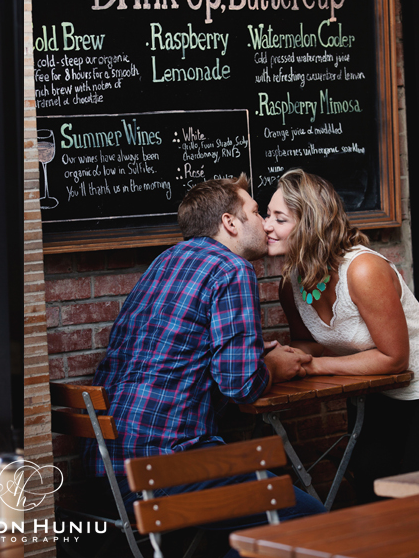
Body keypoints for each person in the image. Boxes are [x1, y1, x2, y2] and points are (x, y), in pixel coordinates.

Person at [83, 175, 325, 555]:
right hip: (162, 468)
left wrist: (247, 353)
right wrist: (273, 367)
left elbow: (176, 347)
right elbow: (240, 386)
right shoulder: (231, 270)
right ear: (230, 223)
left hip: (107, 470)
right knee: (307, 518)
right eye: (256, 212)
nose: (265, 223)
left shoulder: (167, 260)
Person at [264, 169, 419, 502]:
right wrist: (283, 356)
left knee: (413, 496)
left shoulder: (362, 270)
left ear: (309, 225)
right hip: (383, 389)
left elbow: (394, 358)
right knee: (370, 484)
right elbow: (308, 343)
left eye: (279, 218)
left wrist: (314, 367)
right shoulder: (291, 286)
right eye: (267, 214)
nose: (266, 225)